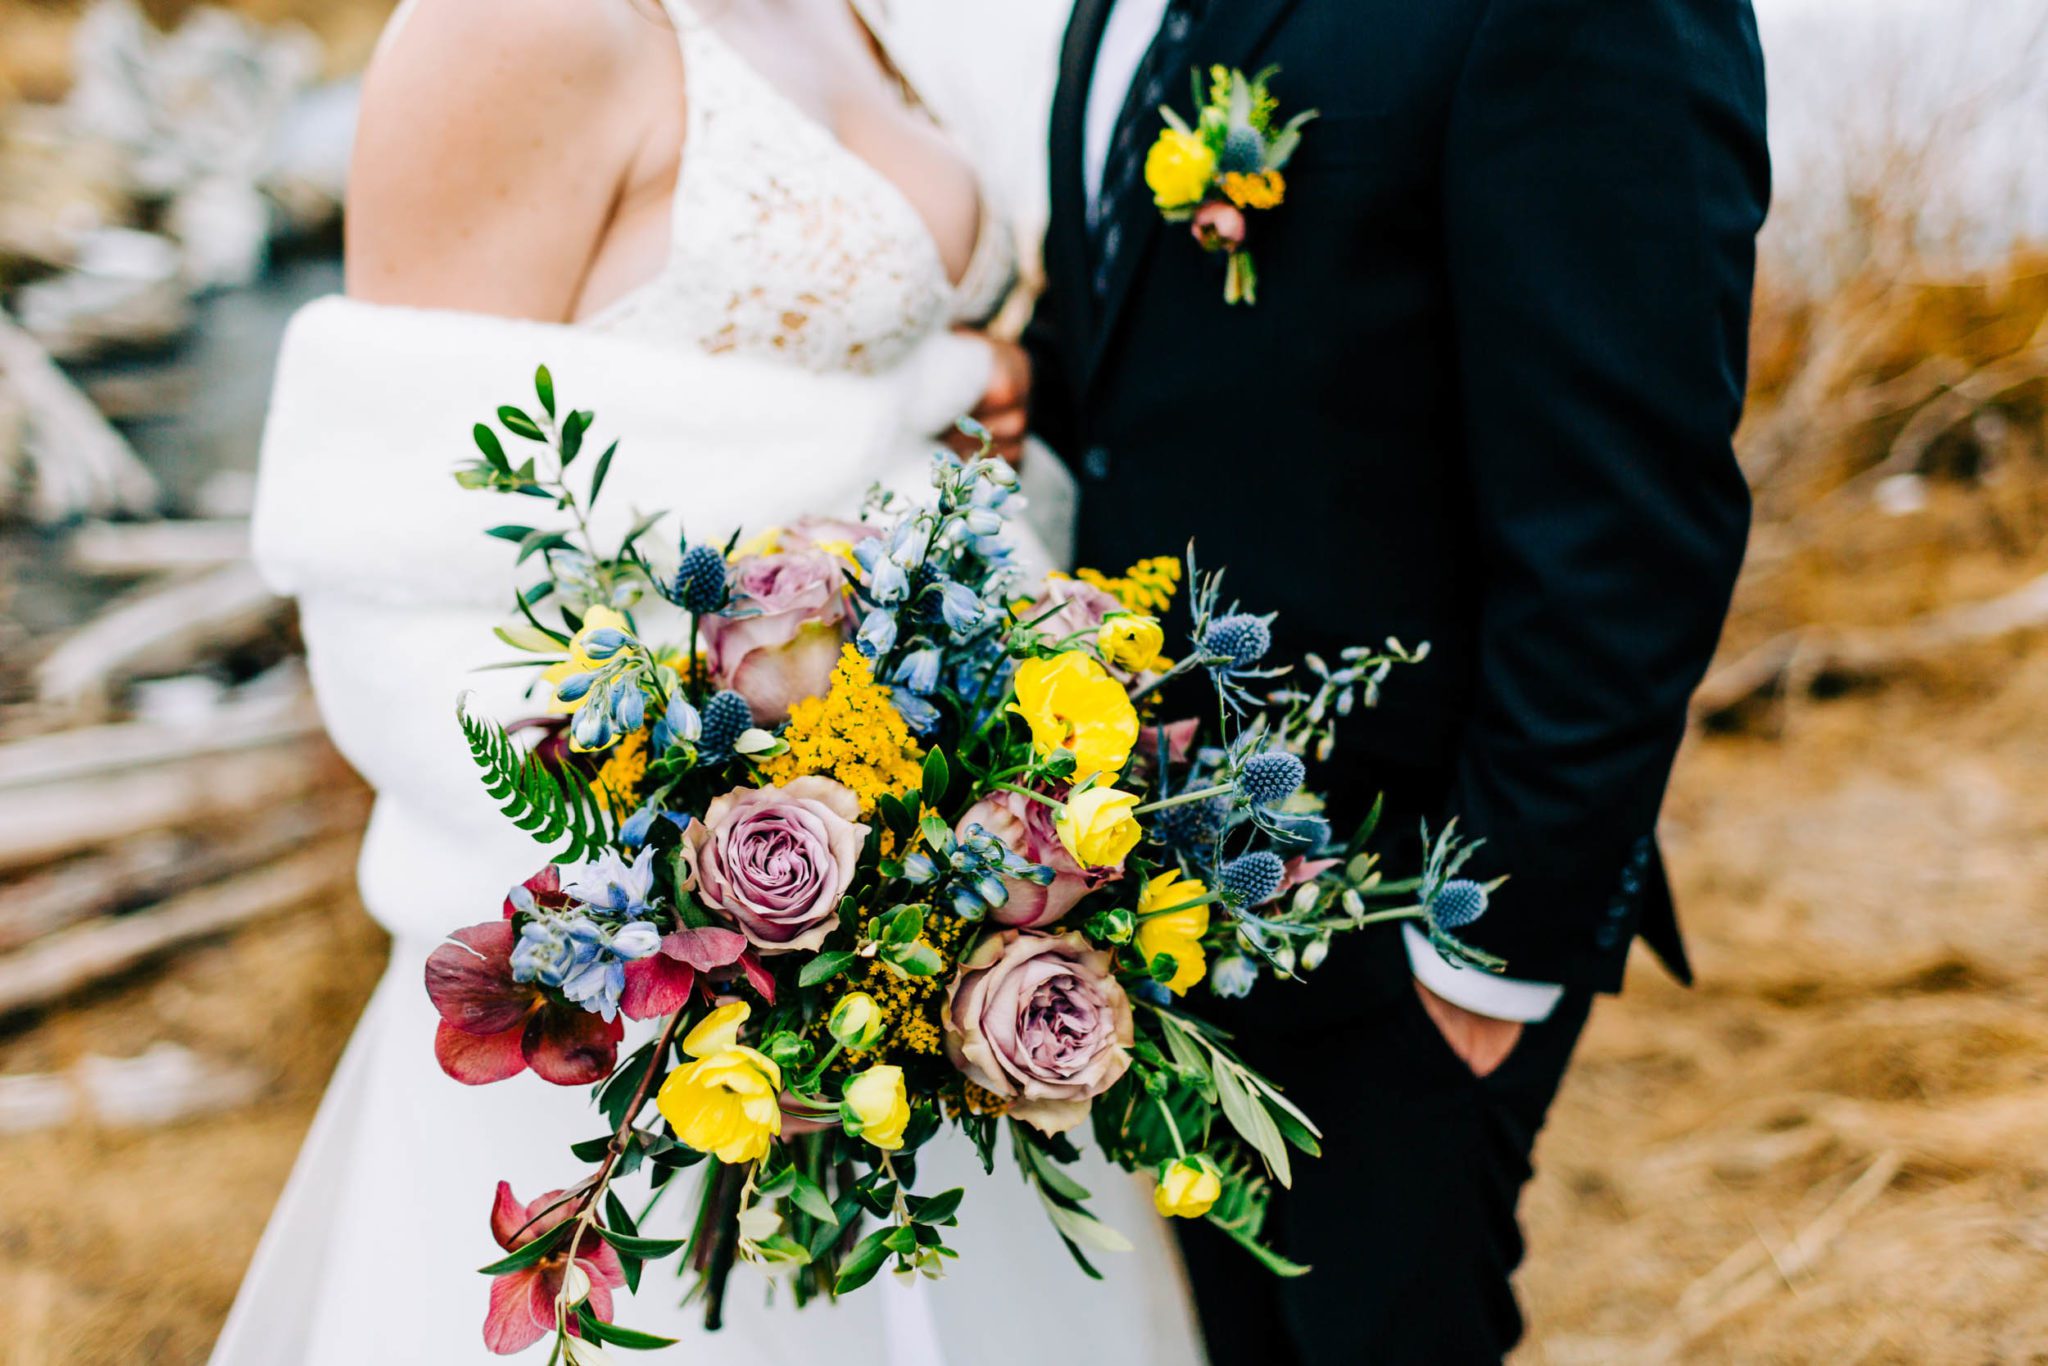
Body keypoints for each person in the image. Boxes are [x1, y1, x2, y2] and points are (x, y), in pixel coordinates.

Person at [212, 1, 1193, 1361]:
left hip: (931, 949)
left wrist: (963, 385)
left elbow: (824, 381)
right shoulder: (507, 30)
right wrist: (718, 928)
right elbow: (393, 550)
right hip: (656, 992)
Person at [1015, 0, 1770, 1359]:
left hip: (1400, 904)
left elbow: (1631, 509)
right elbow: (1133, 368)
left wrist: (1482, 950)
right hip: (1145, 888)